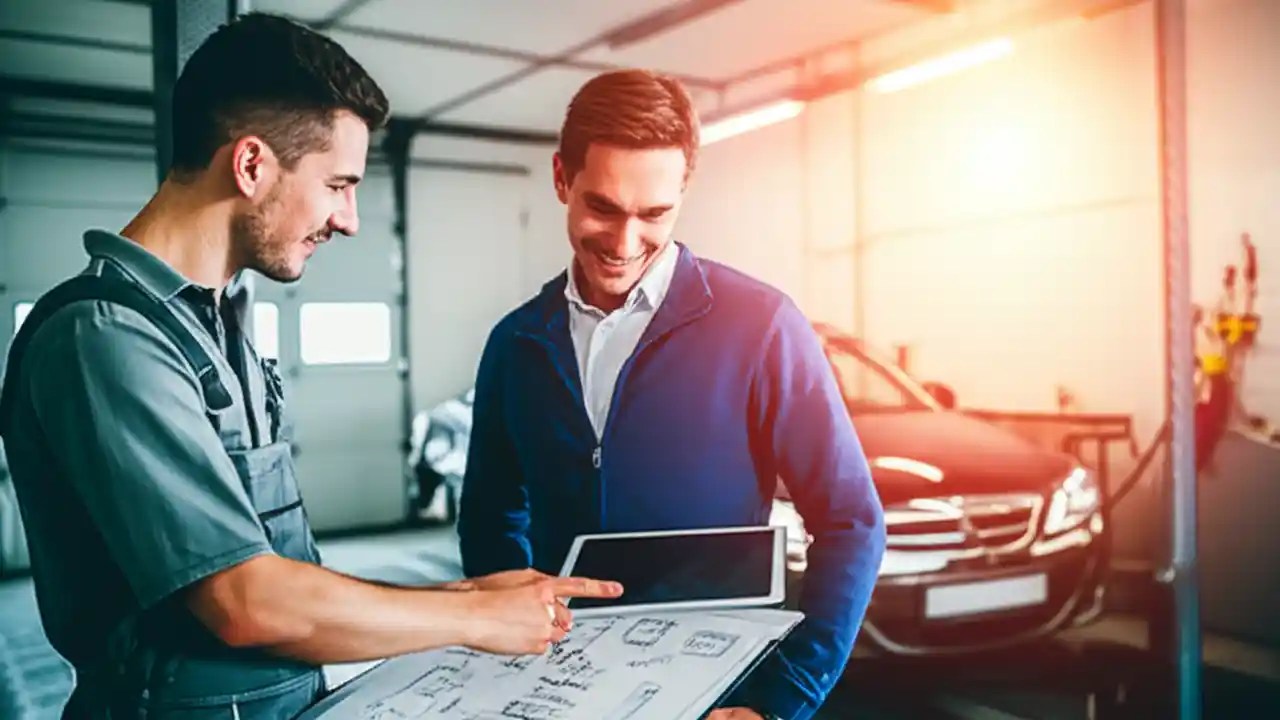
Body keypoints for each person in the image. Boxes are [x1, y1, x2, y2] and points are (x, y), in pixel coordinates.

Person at [0, 14, 619, 719]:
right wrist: (476, 619)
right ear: (251, 165)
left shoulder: (215, 324)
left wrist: (466, 594)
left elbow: (282, 578)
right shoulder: (105, 338)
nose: (349, 218)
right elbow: (244, 602)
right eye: (338, 184)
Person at [458, 69, 887, 720]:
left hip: (721, 693)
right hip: (560, 690)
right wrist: (509, 646)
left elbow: (851, 520)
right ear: (561, 179)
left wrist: (784, 697)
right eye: (603, 207)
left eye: (654, 214)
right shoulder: (515, 344)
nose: (624, 243)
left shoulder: (762, 326)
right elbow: (491, 518)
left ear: (683, 190)